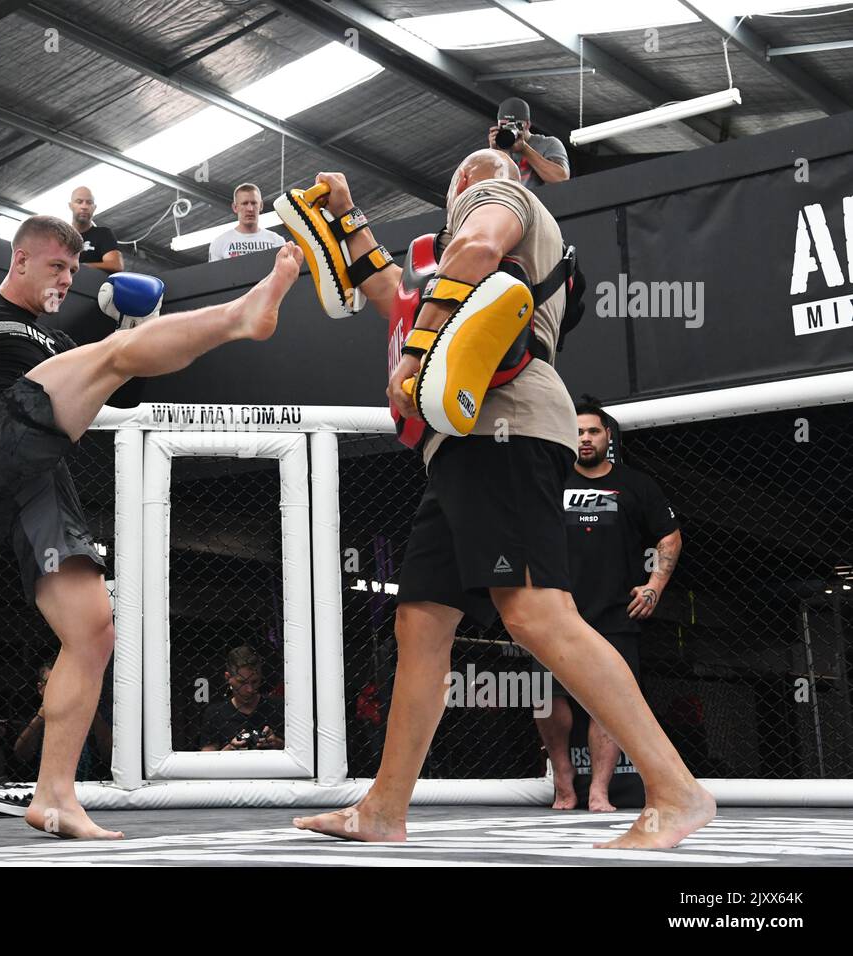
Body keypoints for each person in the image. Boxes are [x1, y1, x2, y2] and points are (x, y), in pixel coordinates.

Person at [287, 154, 713, 848]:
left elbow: (476, 245)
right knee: (421, 621)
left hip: (504, 426)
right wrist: (346, 212)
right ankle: (383, 809)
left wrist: (413, 357)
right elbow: (394, 291)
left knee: (537, 611)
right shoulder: (448, 279)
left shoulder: (494, 200)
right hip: (460, 446)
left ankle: (676, 790)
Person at [0, 215, 302, 837]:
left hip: (39, 483)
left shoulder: (59, 345)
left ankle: (54, 796)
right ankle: (241, 317)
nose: (68, 279)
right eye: (58, 267)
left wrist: (137, 327)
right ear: (22, 261)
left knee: (93, 633)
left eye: (74, 268)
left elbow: (124, 396)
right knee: (110, 351)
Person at [532, 399, 683, 811]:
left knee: (609, 701)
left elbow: (669, 536)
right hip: (553, 610)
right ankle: (564, 781)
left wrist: (653, 586)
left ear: (608, 437)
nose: (584, 438)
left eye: (593, 431)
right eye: (578, 431)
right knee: (547, 698)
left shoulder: (636, 484)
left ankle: (598, 790)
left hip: (614, 612)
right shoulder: (549, 481)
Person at [14, 659, 111, 779]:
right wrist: (40, 718)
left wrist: (93, 714)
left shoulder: (91, 716)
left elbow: (110, 755)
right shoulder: (31, 717)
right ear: (41, 688)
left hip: (88, 788)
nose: (61, 689)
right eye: (54, 683)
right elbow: (21, 756)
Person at [198, 645, 284, 751]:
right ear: (228, 678)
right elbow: (206, 761)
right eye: (242, 682)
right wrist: (230, 749)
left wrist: (278, 744)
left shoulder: (279, 707)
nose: (250, 689)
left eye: (255, 681)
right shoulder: (215, 713)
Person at [487, 97, 569, 190]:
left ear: (527, 124)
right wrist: (494, 154)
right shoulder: (495, 149)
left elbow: (561, 179)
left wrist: (525, 149)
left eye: (513, 125)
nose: (507, 129)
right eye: (503, 125)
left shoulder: (548, 143)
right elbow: (484, 188)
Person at [208, 184, 284, 261]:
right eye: (244, 203)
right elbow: (214, 273)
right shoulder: (219, 243)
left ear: (261, 206)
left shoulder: (277, 242)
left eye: (254, 203)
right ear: (235, 207)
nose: (250, 209)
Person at [69, 186, 123, 273]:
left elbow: (116, 265)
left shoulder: (103, 234)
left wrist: (80, 266)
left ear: (94, 207)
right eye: (79, 202)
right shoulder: (61, 235)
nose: (84, 206)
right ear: (70, 206)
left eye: (89, 202)